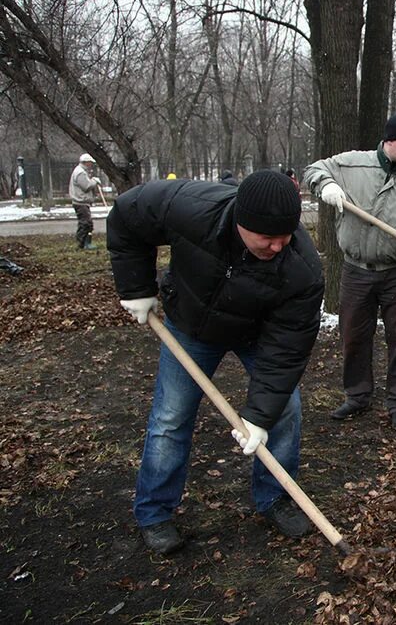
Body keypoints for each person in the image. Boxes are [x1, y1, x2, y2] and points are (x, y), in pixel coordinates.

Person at [106, 170, 323, 555]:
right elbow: (126, 215)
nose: (277, 246)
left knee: (285, 411)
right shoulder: (192, 208)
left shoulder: (301, 268)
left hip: (258, 332)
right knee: (171, 417)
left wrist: (258, 416)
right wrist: (136, 288)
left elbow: (287, 350)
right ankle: (154, 512)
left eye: (284, 237)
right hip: (189, 323)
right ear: (241, 221)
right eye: (267, 238)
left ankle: (276, 497)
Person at [305, 113, 396, 430]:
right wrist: (326, 184)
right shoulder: (352, 164)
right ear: (390, 140)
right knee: (353, 335)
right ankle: (357, 395)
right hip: (356, 270)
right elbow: (315, 170)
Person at [69, 153, 101, 250]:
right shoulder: (80, 173)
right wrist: (95, 181)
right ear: (86, 162)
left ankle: (86, 242)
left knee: (87, 223)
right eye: (90, 163)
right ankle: (81, 244)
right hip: (80, 202)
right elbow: (86, 186)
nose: (91, 164)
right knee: (85, 223)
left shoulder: (81, 171)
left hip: (82, 201)